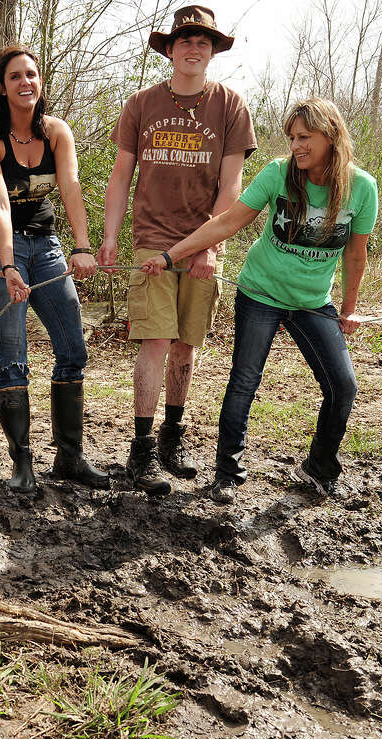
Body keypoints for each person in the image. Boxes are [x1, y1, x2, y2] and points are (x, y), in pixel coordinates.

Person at [139, 97, 378, 504]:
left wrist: (349, 307)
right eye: (292, 138)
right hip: (260, 293)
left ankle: (319, 467)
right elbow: (229, 220)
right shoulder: (278, 173)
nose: (296, 145)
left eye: (305, 137)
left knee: (343, 385)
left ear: (331, 135)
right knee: (245, 380)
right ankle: (227, 473)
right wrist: (169, 256)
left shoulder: (362, 188)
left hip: (311, 301)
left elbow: (356, 254)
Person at [98, 5, 255, 496]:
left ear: (212, 52)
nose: (193, 48)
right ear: (169, 49)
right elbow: (121, 175)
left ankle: (173, 436)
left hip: (204, 243)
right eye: (185, 40)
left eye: (203, 42)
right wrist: (108, 236)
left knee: (187, 344)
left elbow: (232, 184)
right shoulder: (141, 104)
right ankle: (140, 450)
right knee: (155, 341)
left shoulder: (230, 106)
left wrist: (211, 244)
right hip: (151, 238)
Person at [0, 44, 108, 494]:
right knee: (13, 355)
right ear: (1, 87)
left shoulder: (56, 133)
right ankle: (22, 463)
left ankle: (70, 458)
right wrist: (8, 265)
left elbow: (70, 186)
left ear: (40, 82)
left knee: (72, 345)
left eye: (32, 74)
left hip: (47, 244)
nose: (25, 82)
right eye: (15, 76)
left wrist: (83, 247)